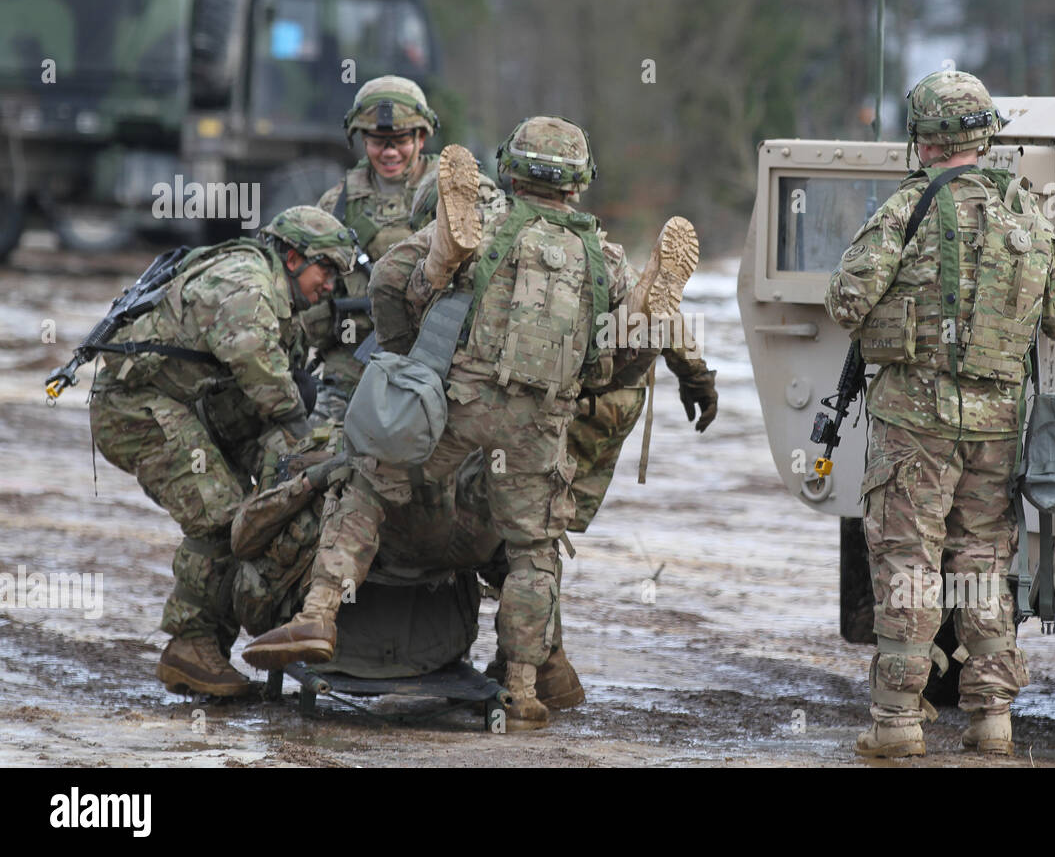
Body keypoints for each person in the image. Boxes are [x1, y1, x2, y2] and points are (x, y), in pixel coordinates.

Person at [244, 117, 699, 731]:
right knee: (534, 550)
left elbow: (380, 282)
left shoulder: (486, 225)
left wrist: (405, 353)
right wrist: (618, 354)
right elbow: (615, 370)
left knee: (369, 482)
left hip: (457, 405)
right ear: (580, 184)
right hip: (538, 423)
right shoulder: (603, 257)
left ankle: (320, 613)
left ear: (509, 169)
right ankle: (520, 688)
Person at [824, 70, 1055, 758]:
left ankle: (896, 724)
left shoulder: (904, 210)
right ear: (986, 136)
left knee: (909, 563)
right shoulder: (1026, 213)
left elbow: (846, 303)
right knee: (982, 560)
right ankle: (991, 720)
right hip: (996, 425)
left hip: (913, 426)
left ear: (921, 140)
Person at [88, 207, 354, 697]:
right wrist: (308, 444)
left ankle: (208, 650)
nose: (330, 286)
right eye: (328, 271)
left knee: (247, 505)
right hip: (134, 410)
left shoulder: (271, 285)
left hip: (181, 402)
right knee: (221, 518)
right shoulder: (247, 284)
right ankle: (190, 648)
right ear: (294, 257)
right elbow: (264, 377)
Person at [308, 75, 500, 421]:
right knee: (323, 436)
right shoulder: (337, 203)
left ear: (421, 136)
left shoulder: (453, 189)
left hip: (437, 352)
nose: (390, 152)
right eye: (378, 141)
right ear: (361, 138)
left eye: (400, 140)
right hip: (355, 353)